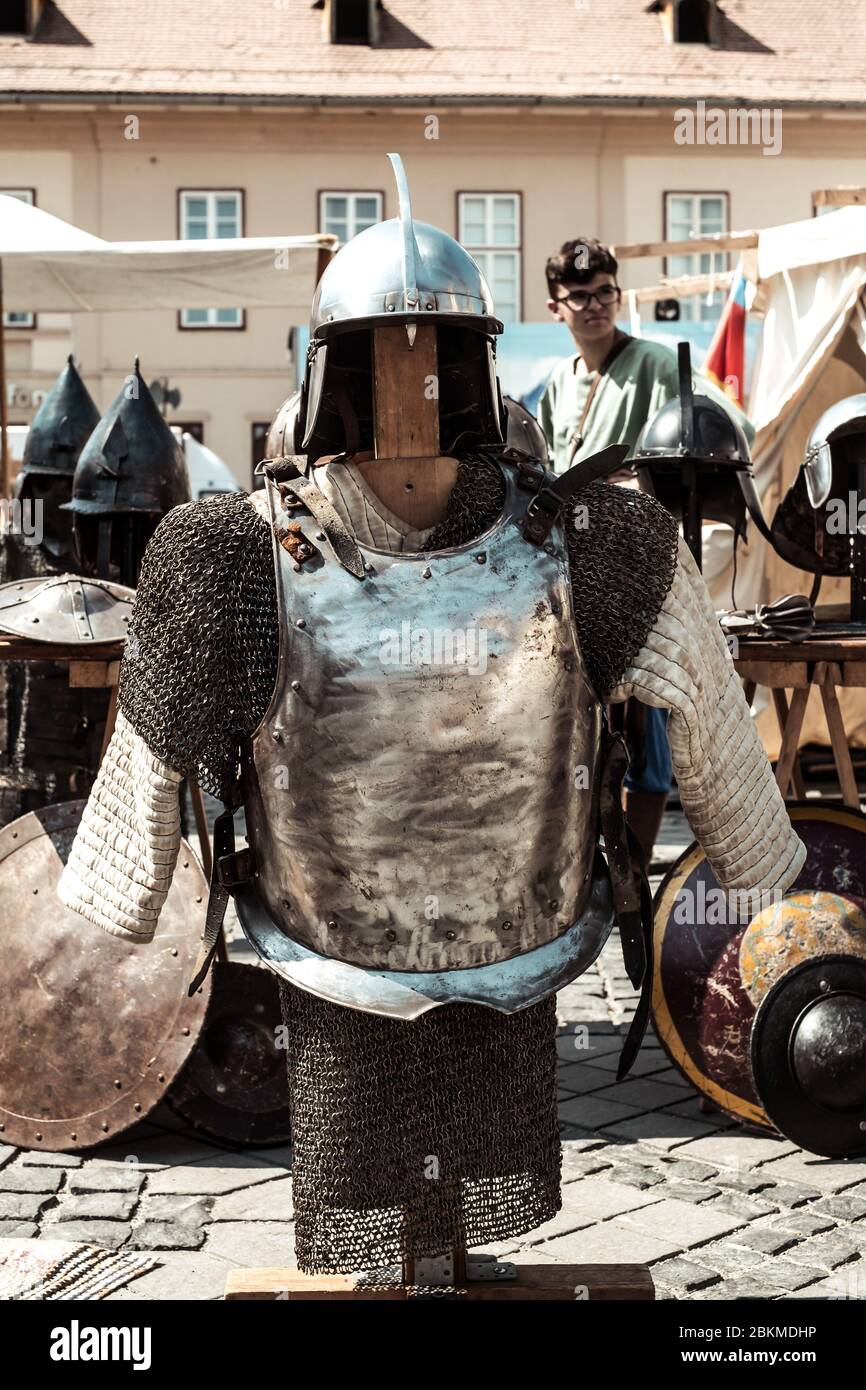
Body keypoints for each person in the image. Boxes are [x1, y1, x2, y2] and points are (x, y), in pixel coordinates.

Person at [59, 159, 803, 1284]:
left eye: (430, 355)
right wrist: (122, 902)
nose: (407, 381)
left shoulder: (594, 544)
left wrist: (754, 861)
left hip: (522, 936)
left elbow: (710, 732)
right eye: (380, 358)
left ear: (468, 369)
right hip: (330, 952)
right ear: (335, 375)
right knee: (364, 1183)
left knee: (484, 1159)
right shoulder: (230, 553)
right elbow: (139, 798)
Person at [538, 238, 755, 862]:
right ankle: (590, 869)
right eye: (579, 295)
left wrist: (636, 481)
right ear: (557, 307)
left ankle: (632, 868)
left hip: (640, 566)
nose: (593, 305)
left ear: (617, 295)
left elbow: (723, 435)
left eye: (604, 291)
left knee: (648, 723)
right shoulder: (559, 383)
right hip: (574, 572)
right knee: (585, 724)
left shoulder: (659, 364)